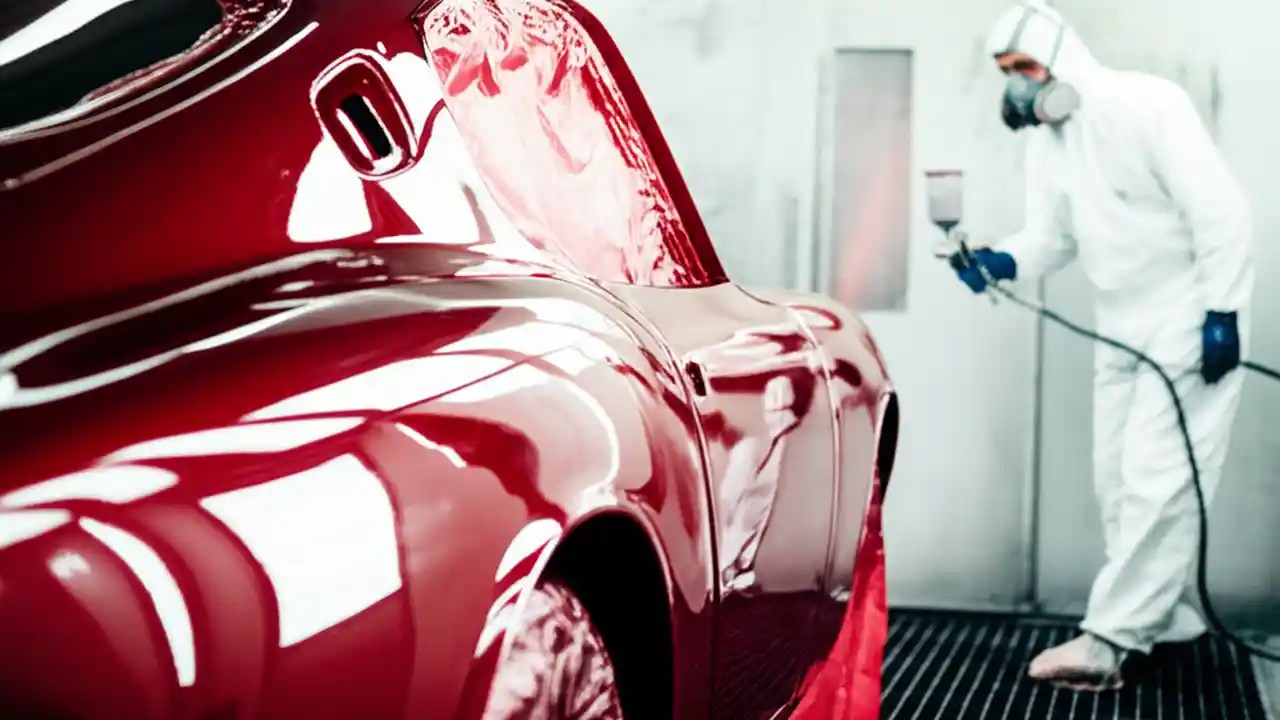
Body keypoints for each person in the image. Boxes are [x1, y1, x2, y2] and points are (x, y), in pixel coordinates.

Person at [952, 1, 1255, 691]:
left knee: (1159, 477)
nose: (1021, 87)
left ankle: (1108, 642)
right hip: (1120, 320)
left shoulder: (1150, 106)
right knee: (1116, 480)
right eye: (1009, 73)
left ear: (1065, 57)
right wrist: (1000, 261)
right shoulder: (1049, 145)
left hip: (1186, 313)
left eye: (1028, 68)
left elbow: (1220, 212)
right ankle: (1166, 617)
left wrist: (1223, 312)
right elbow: (1052, 239)